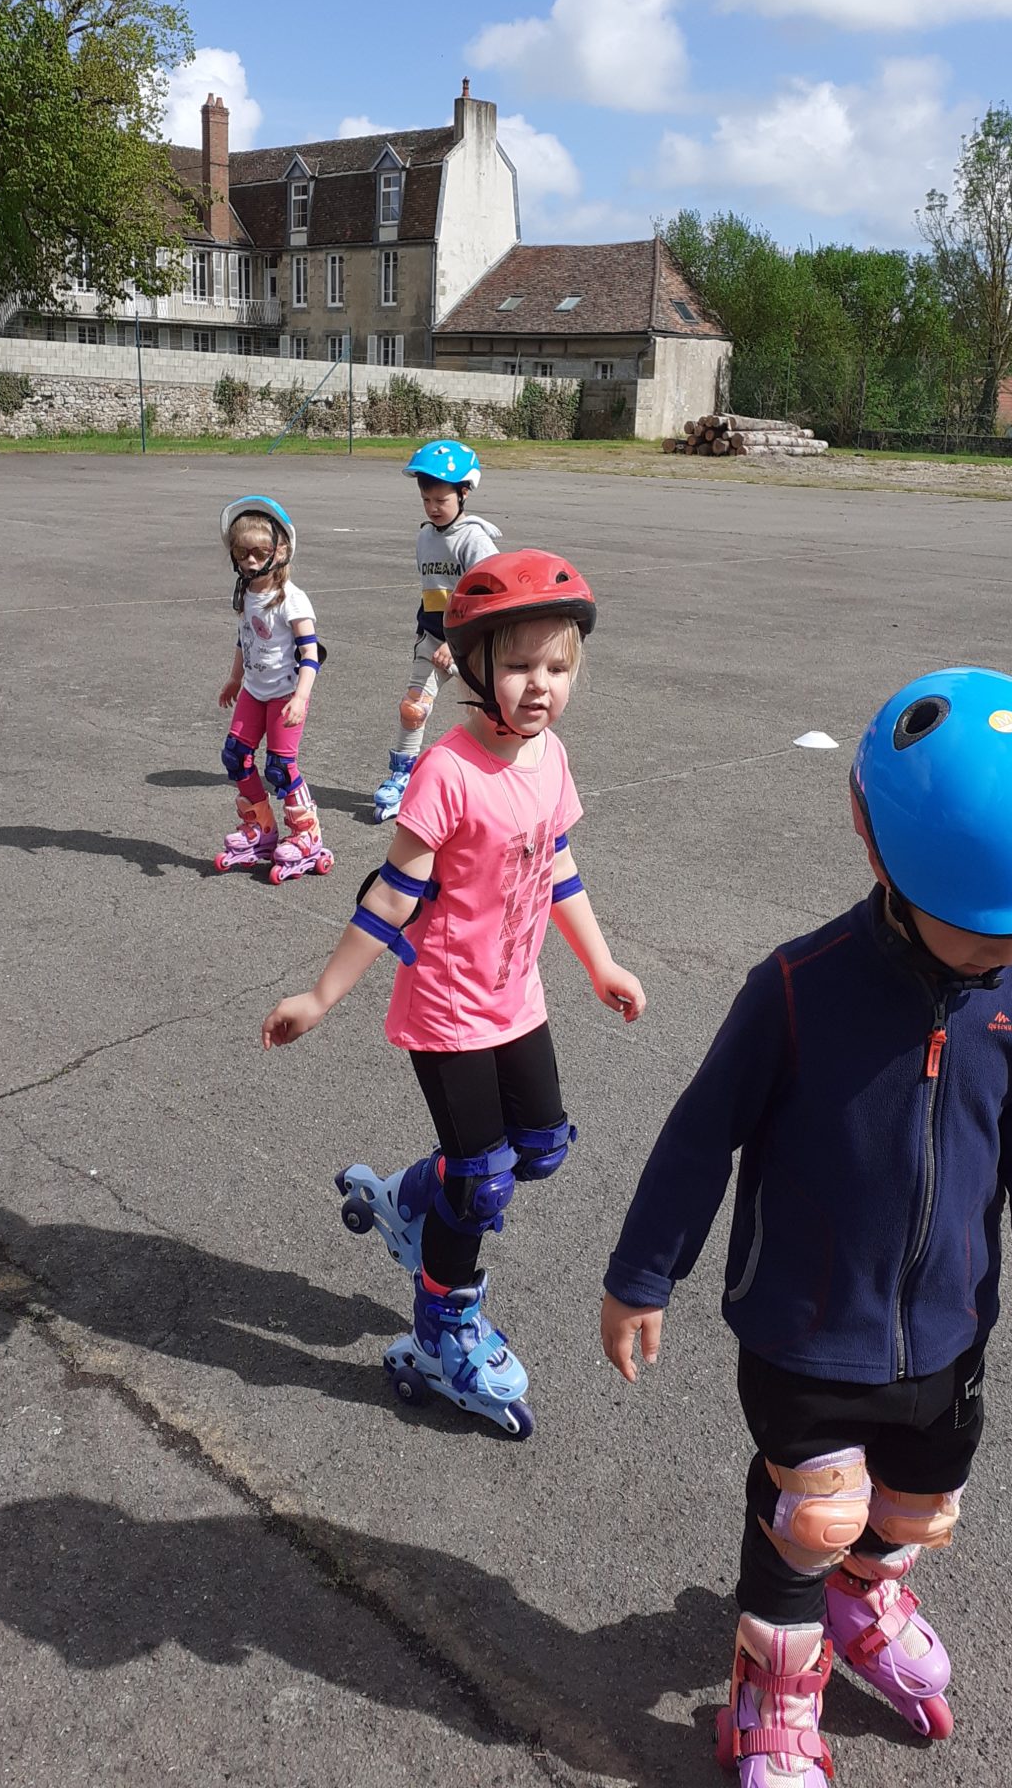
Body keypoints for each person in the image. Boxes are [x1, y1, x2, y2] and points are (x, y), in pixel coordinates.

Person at [599, 668, 1012, 1781]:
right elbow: (702, 1133)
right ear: (888, 856)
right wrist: (641, 1272)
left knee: (919, 1505)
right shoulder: (797, 987)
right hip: (804, 1331)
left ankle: (866, 1594)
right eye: (993, 920)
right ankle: (771, 1696)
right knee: (814, 1512)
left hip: (945, 1338)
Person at [263, 550, 646, 1435]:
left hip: (518, 998)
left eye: (557, 667)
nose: (540, 686)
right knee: (482, 1185)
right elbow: (393, 897)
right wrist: (320, 997)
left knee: (540, 1148)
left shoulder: (549, 757)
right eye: (517, 666)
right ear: (472, 666)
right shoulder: (447, 772)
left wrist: (600, 963)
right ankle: (442, 1334)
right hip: (448, 1010)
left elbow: (556, 864)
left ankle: (405, 1197)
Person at [373, 440, 501, 824]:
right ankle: (401, 776)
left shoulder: (474, 541)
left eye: (440, 500)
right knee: (413, 708)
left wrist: (456, 640)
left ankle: (498, 776)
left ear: (464, 492)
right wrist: (438, 638)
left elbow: (489, 597)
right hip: (433, 637)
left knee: (495, 713)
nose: (432, 507)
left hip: (472, 642)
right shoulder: (425, 535)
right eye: (426, 499)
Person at [213, 495, 331, 884]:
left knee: (280, 767)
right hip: (252, 689)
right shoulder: (246, 593)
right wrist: (233, 677)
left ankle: (306, 834)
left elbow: (311, 654)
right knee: (236, 757)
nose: (249, 560)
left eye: (258, 552)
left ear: (279, 552)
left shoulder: (292, 600)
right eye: (241, 552)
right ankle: (261, 827)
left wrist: (300, 696)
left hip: (284, 695)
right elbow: (243, 639)